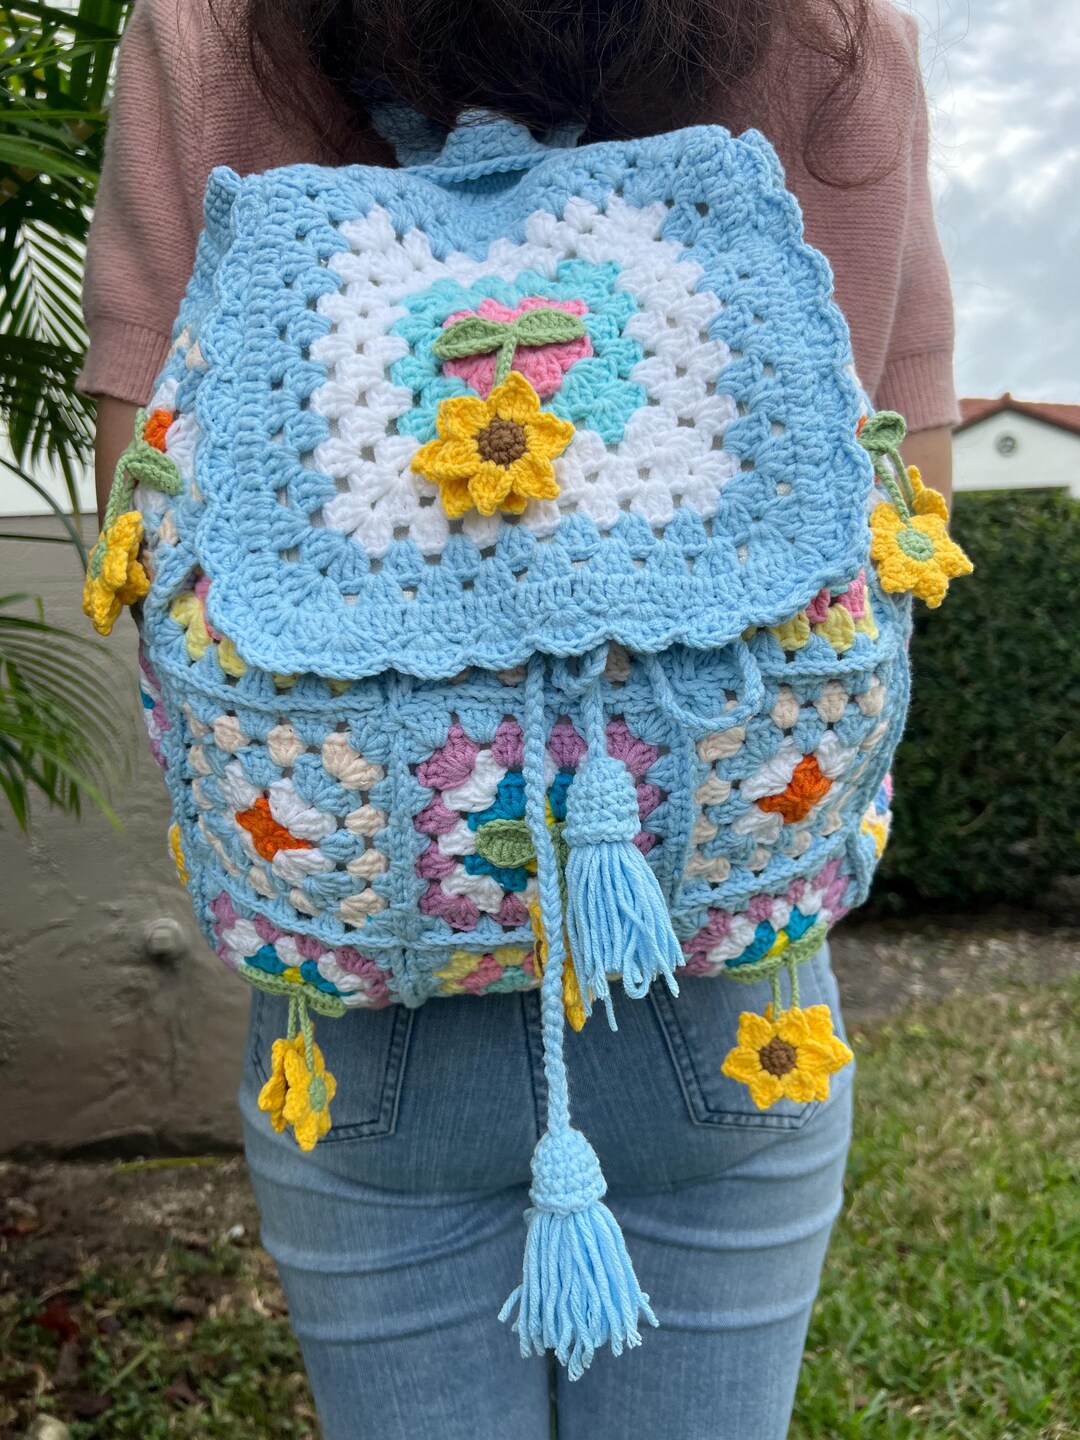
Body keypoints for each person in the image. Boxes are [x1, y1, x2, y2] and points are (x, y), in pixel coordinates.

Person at [81, 2, 958, 1435]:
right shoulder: (837, 31)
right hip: (730, 980)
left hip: (363, 1000)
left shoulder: (208, 26)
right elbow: (910, 510)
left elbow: (144, 536)